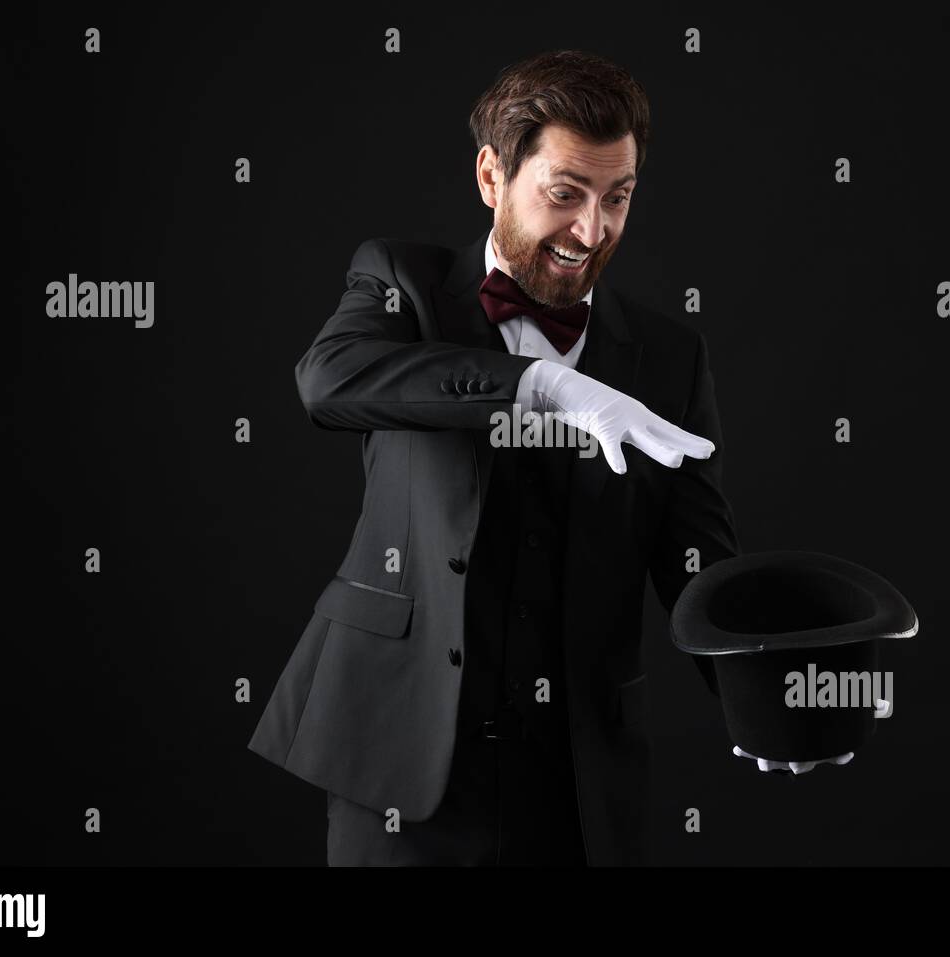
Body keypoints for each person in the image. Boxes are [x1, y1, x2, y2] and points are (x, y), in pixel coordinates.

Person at [248, 49, 831, 868]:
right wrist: (542, 383)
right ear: (492, 175)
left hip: (578, 780)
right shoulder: (401, 282)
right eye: (566, 194)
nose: (593, 232)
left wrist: (767, 698)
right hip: (399, 758)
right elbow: (328, 379)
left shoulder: (670, 355)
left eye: (617, 197)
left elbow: (696, 559)